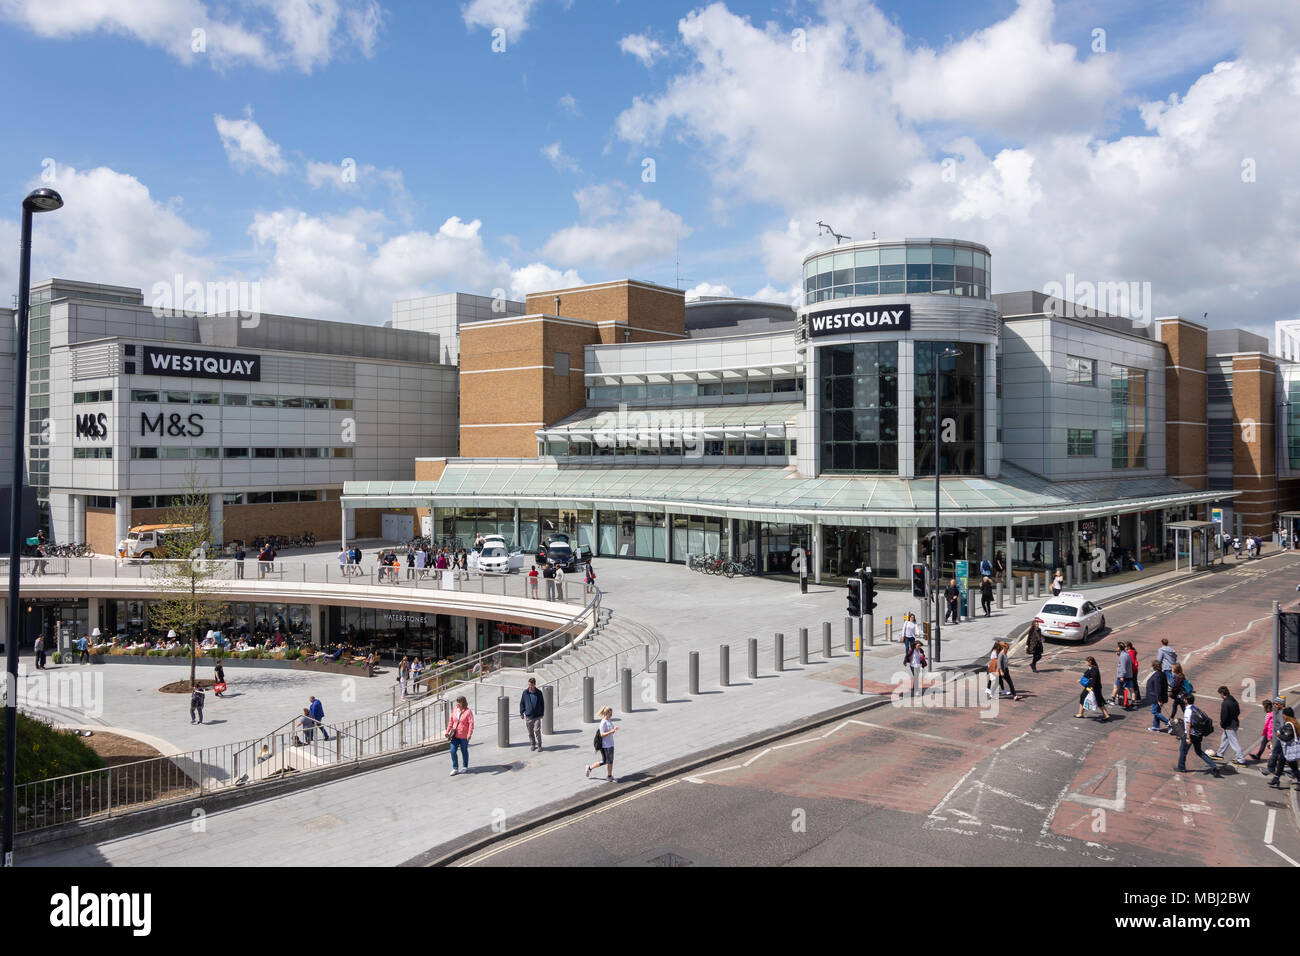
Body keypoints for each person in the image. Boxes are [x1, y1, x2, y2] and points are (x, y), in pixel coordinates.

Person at [1178, 694, 1222, 777]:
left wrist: (1187, 737)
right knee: (1199, 751)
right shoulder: (1196, 708)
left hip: (1191, 734)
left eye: (1184, 699)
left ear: (1186, 701)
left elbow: (1188, 724)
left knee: (1183, 751)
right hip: (1198, 734)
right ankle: (1214, 766)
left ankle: (1181, 767)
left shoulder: (1188, 710)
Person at [1268, 707, 1300, 788]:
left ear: (1286, 715)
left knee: (1293, 767)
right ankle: (1276, 778)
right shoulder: (1293, 722)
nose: (1283, 716)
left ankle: (1277, 778)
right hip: (1287, 748)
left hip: (1289, 749)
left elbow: (1287, 737)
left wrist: (1279, 735)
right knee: (1282, 761)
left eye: (1284, 714)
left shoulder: (1289, 724)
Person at [585, 705, 619, 783]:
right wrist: (611, 731)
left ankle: (589, 768)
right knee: (609, 761)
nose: (611, 715)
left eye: (611, 714)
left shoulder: (609, 720)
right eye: (610, 714)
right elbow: (601, 734)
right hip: (606, 745)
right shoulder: (603, 722)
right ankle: (609, 776)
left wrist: (614, 729)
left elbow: (610, 731)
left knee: (606, 761)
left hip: (610, 744)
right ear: (605, 714)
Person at [1214, 686, 1246, 766]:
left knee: (1234, 743)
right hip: (1234, 723)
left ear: (1222, 693)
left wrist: (1222, 724)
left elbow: (1224, 716)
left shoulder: (1225, 703)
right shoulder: (1233, 699)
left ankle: (1241, 759)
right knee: (1225, 739)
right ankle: (1220, 753)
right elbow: (1238, 712)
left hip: (1229, 725)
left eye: (1220, 694)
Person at [1074, 656, 1110, 721]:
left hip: (1093, 687)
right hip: (1091, 687)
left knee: (1093, 699)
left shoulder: (1094, 669)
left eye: (1086, 662)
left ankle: (1080, 713)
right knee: (1084, 697)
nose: (1086, 663)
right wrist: (1081, 680)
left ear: (1090, 662)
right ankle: (1080, 713)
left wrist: (1092, 687)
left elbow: (1094, 679)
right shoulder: (1091, 668)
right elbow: (1087, 676)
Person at [446, 696, 474, 775]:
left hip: (464, 736)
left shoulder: (468, 712)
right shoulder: (455, 709)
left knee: (464, 751)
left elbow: (471, 724)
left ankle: (465, 766)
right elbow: (451, 721)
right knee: (452, 751)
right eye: (457, 702)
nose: (457, 703)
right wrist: (447, 731)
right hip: (454, 735)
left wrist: (469, 734)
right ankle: (455, 768)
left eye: (459, 702)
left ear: (463, 703)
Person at [519, 677, 545, 751]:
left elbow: (542, 704)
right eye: (529, 685)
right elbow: (522, 703)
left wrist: (542, 713)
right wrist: (521, 712)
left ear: (534, 684)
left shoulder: (539, 693)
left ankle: (539, 745)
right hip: (528, 716)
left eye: (531, 685)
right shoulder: (525, 693)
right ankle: (533, 744)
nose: (530, 687)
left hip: (537, 716)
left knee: (537, 730)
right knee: (530, 732)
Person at [1145, 661, 1170, 732]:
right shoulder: (1162, 674)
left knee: (1154, 711)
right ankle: (1156, 726)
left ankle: (1168, 723)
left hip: (1156, 697)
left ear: (1154, 666)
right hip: (1159, 696)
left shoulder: (1157, 675)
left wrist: (1159, 699)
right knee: (1157, 711)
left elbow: (1157, 688)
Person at [1112, 644, 1135, 709]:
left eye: (1117, 647)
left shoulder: (1123, 656)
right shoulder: (1126, 654)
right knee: (1131, 689)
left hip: (1123, 675)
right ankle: (1133, 702)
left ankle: (1113, 700)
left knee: (1116, 687)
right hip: (1129, 674)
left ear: (1119, 648)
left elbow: (1123, 666)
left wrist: (1122, 676)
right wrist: (1119, 654)